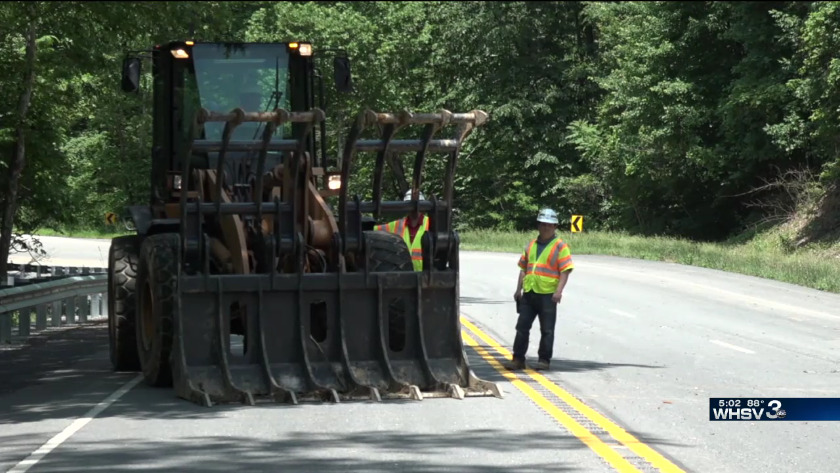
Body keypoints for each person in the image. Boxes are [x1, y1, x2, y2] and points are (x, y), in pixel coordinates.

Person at [503, 208, 574, 371]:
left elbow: (566, 270)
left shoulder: (560, 246)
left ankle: (544, 360)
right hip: (529, 292)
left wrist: (559, 291)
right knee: (522, 327)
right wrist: (518, 289)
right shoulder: (531, 245)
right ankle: (518, 359)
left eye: (549, 225)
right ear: (538, 225)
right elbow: (523, 268)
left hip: (548, 295)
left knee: (547, 330)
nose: (545, 227)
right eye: (542, 224)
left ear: (555, 226)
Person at [374, 189, 430, 271]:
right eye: (411, 205)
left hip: (425, 277)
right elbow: (372, 230)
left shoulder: (431, 224)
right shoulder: (397, 225)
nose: (414, 209)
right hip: (403, 277)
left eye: (416, 204)